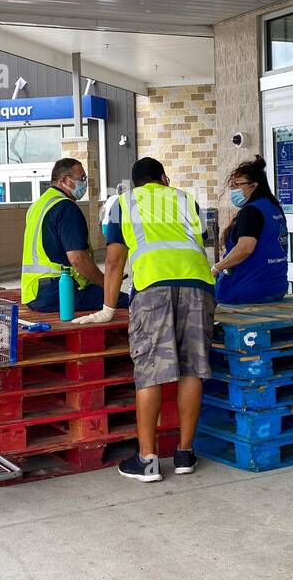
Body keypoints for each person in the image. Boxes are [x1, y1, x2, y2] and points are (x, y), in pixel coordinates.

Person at [73, 157, 215, 483]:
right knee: (194, 368)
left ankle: (148, 460)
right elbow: (202, 243)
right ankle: (184, 455)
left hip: (153, 288)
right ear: (164, 178)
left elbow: (113, 261)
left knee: (149, 372)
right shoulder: (185, 199)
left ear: (135, 183)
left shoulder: (123, 202)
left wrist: (108, 308)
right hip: (199, 286)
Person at [19, 158, 123, 314]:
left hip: (33, 293)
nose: (85, 183)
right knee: (125, 301)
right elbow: (78, 259)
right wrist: (106, 282)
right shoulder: (66, 207)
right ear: (64, 181)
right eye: (81, 179)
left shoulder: (39, 205)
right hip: (60, 291)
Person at [212, 155, 288, 304]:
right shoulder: (273, 208)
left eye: (237, 185)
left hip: (248, 289)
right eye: (232, 185)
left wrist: (217, 268)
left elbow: (245, 248)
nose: (233, 190)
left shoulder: (251, 211)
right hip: (276, 287)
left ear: (253, 186)